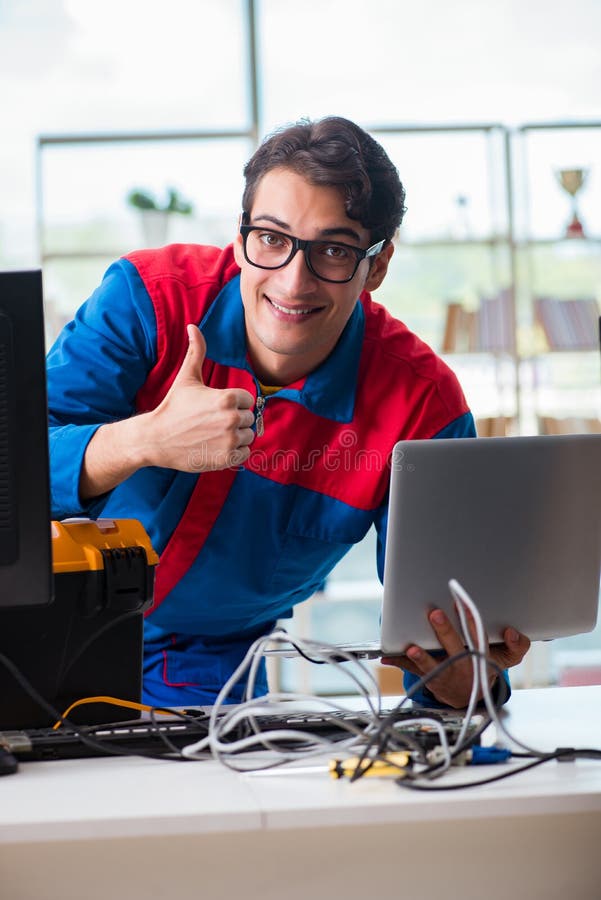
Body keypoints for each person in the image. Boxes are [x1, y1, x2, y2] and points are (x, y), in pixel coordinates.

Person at [46, 116, 530, 709]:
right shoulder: (147, 299)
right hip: (44, 621)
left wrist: (465, 681)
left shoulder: (422, 406)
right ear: (241, 236)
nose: (293, 282)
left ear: (376, 266)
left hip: (207, 670)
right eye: (271, 239)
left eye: (333, 249)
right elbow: (18, 469)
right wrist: (142, 441)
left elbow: (441, 628)